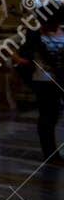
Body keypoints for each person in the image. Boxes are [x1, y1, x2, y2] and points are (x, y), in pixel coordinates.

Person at [19, 9, 64, 163]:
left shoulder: (61, 32)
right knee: (48, 117)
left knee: (54, 116)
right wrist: (26, 63)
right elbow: (23, 56)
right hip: (44, 81)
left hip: (61, 79)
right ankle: (50, 154)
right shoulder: (34, 35)